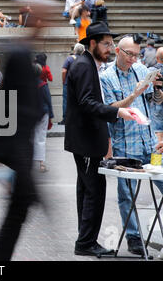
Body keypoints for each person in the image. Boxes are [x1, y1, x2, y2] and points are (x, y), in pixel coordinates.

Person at [0, 0, 58, 261]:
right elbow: (3, 101)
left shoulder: (24, 51)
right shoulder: (17, 52)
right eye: (45, 17)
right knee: (22, 205)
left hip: (21, 145)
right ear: (36, 19)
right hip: (16, 146)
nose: (48, 23)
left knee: (22, 205)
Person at [65, 22, 136, 256]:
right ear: (92, 43)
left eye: (111, 43)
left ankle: (85, 240)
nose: (110, 48)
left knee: (87, 191)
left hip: (86, 140)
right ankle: (86, 242)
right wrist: (117, 111)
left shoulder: (87, 64)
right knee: (93, 192)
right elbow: (86, 103)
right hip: (85, 141)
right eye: (106, 44)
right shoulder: (84, 66)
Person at [100, 35, 163, 255]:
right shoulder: (106, 77)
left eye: (137, 54)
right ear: (117, 51)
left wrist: (156, 90)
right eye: (130, 54)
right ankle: (134, 237)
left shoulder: (140, 69)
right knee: (127, 195)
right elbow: (111, 109)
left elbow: (153, 102)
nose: (134, 59)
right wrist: (134, 93)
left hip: (149, 142)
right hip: (126, 145)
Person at [33, 63, 54, 172]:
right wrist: (51, 115)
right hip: (43, 113)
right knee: (41, 138)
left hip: (31, 114)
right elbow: (48, 100)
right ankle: (41, 164)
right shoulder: (43, 85)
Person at [59, 43, 85, 125]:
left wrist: (64, 81)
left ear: (74, 50)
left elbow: (64, 71)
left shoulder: (69, 59)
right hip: (80, 84)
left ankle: (65, 119)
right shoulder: (84, 59)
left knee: (66, 101)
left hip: (69, 83)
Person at [150, 47, 163, 141]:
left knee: (157, 131)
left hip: (157, 104)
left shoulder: (152, 70)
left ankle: (157, 156)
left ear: (157, 58)